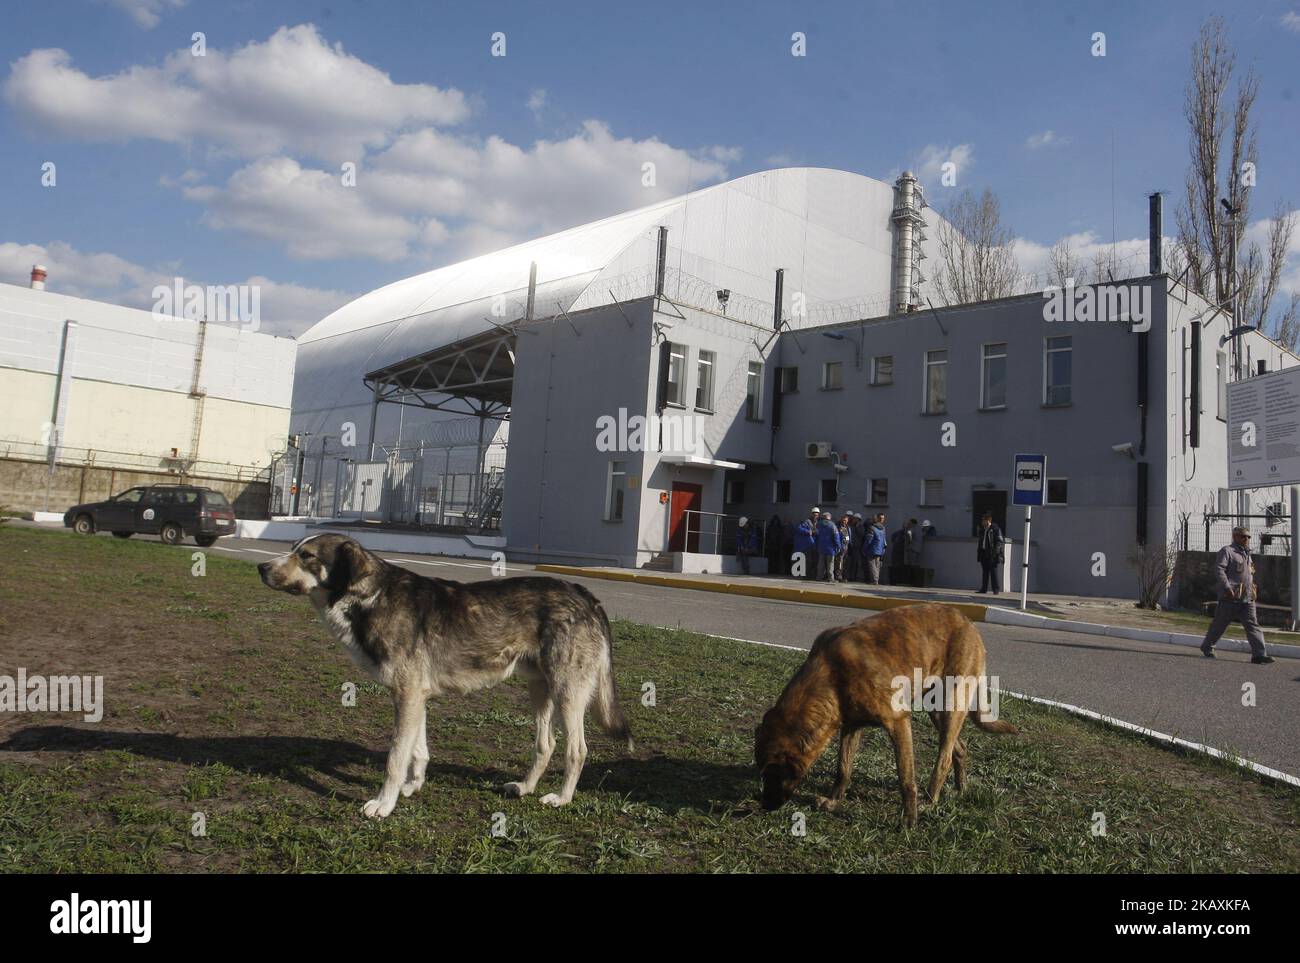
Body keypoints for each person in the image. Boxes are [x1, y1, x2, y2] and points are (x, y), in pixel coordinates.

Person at [1200, 527, 1275, 664]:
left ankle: (1259, 655)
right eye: (1243, 536)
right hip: (1230, 597)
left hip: (1247, 597)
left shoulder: (1247, 553)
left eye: (1248, 537)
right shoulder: (1227, 551)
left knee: (1253, 625)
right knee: (1220, 624)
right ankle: (1207, 646)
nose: (1246, 539)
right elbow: (1219, 570)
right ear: (1235, 537)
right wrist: (1227, 587)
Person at [976, 512, 1004, 595]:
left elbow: (999, 542)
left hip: (992, 554)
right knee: (985, 572)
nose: (982, 522)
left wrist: (995, 553)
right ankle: (983, 589)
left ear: (988, 520)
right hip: (984, 553)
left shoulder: (995, 529)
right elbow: (981, 541)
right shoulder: (983, 530)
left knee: (993, 572)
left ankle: (996, 589)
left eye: (983, 520)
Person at [816, 511, 842, 581]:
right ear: (829, 518)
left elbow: (816, 535)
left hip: (821, 547)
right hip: (830, 549)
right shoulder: (832, 525)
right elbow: (836, 537)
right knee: (830, 564)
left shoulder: (819, 524)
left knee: (821, 564)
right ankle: (830, 578)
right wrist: (839, 546)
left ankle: (819, 577)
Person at [793, 508, 819, 580]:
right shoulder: (807, 521)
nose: (815, 516)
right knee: (806, 560)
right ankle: (804, 575)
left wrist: (816, 532)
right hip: (807, 545)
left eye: (816, 515)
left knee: (812, 561)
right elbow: (799, 529)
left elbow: (818, 532)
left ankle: (810, 575)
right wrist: (808, 532)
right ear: (811, 514)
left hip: (813, 545)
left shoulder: (818, 523)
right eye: (814, 514)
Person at [863, 512, 887, 585]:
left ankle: (874, 580)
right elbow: (884, 540)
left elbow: (869, 540)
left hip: (872, 549)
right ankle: (876, 579)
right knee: (877, 565)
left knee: (872, 565)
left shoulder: (871, 528)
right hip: (880, 549)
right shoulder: (882, 528)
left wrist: (864, 548)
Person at [834, 514, 853, 582]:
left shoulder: (848, 528)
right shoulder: (838, 527)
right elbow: (837, 538)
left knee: (845, 563)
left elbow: (849, 538)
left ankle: (843, 576)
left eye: (845, 520)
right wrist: (839, 546)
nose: (844, 521)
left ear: (847, 521)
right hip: (841, 547)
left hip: (847, 548)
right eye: (843, 520)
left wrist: (850, 546)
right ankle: (838, 576)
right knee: (839, 562)